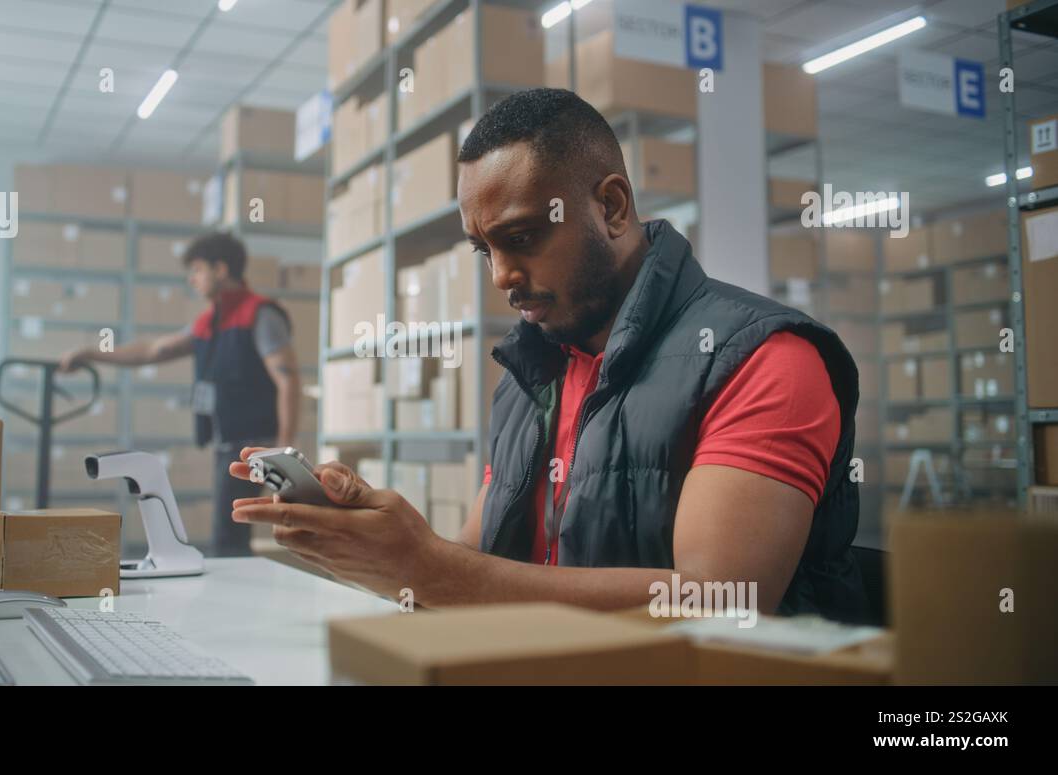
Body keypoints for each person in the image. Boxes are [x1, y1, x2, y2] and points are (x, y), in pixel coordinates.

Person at [227, 88, 869, 622]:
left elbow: (721, 601)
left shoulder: (763, 357)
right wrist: (378, 550)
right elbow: (475, 569)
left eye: (524, 237)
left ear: (611, 207)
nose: (502, 275)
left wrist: (429, 567)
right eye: (484, 249)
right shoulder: (529, 377)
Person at [60, 231, 300, 557]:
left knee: (228, 537)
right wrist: (92, 354)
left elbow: (288, 380)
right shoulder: (208, 324)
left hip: (253, 445)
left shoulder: (259, 314)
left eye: (198, 270)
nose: (192, 279)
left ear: (221, 269)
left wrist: (281, 454)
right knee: (231, 533)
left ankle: (233, 601)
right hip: (227, 446)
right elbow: (152, 351)